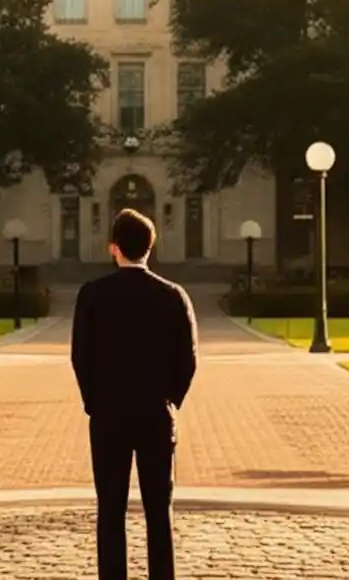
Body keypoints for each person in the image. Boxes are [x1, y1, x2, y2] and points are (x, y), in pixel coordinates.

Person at [71, 208, 198, 580]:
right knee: (159, 510)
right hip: (156, 415)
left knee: (110, 510)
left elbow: (81, 357)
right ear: (151, 247)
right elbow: (187, 360)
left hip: (109, 417)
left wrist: (95, 402)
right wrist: (170, 400)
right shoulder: (173, 295)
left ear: (114, 248)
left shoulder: (92, 295)